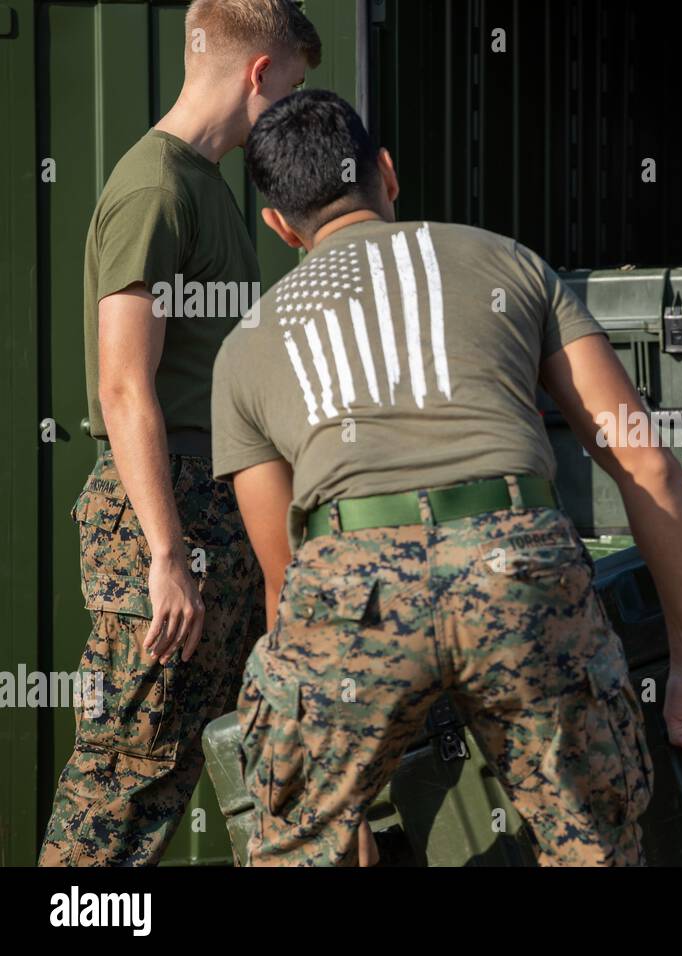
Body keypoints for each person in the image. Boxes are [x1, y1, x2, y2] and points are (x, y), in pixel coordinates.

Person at [211, 89, 682, 867]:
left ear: (280, 224)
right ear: (387, 174)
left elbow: (282, 576)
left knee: (301, 849)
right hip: (515, 560)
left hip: (351, 584)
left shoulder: (244, 345)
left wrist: (336, 776)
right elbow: (643, 459)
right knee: (591, 843)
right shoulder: (506, 261)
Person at [40, 0, 320, 867]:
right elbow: (122, 385)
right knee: (126, 784)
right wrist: (165, 552)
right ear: (258, 74)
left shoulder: (205, 185)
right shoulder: (155, 185)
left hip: (218, 506)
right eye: (292, 90)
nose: (288, 115)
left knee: (266, 759)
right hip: (169, 519)